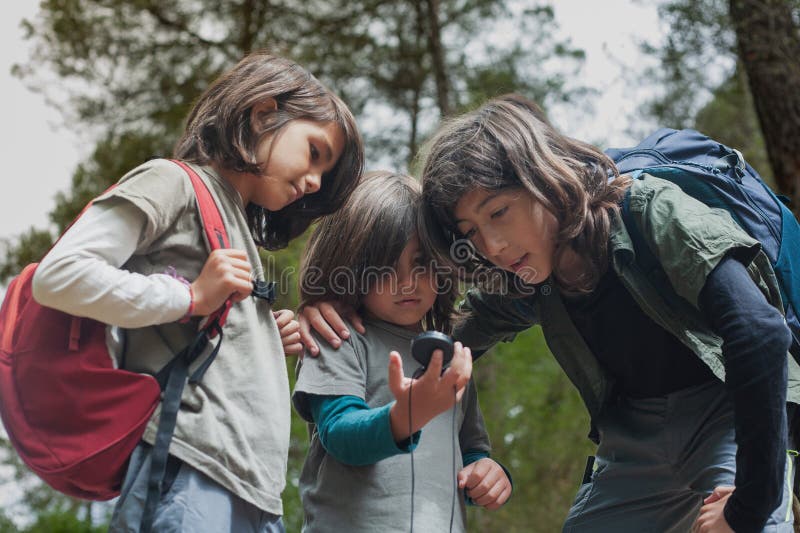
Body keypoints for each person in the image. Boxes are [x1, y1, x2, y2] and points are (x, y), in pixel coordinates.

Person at [298, 94, 798, 533]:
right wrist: (330, 304)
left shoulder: (650, 210)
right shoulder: (527, 281)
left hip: (727, 411)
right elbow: (435, 336)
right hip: (634, 438)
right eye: (471, 232)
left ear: (541, 180)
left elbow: (757, 334)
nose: (492, 245)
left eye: (498, 213)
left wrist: (750, 507)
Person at [31, 51, 364, 532]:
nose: (313, 182)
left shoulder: (235, 222)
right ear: (264, 112)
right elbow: (60, 275)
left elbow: (199, 325)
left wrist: (261, 337)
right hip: (190, 470)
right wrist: (190, 298)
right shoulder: (173, 181)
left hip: (255, 493)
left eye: (324, 177)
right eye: (315, 153)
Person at [292, 171, 512, 532]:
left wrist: (488, 473)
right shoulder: (337, 336)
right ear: (349, 266)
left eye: (422, 263)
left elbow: (471, 451)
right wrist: (405, 417)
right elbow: (339, 434)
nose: (408, 282)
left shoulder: (448, 359)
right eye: (385, 268)